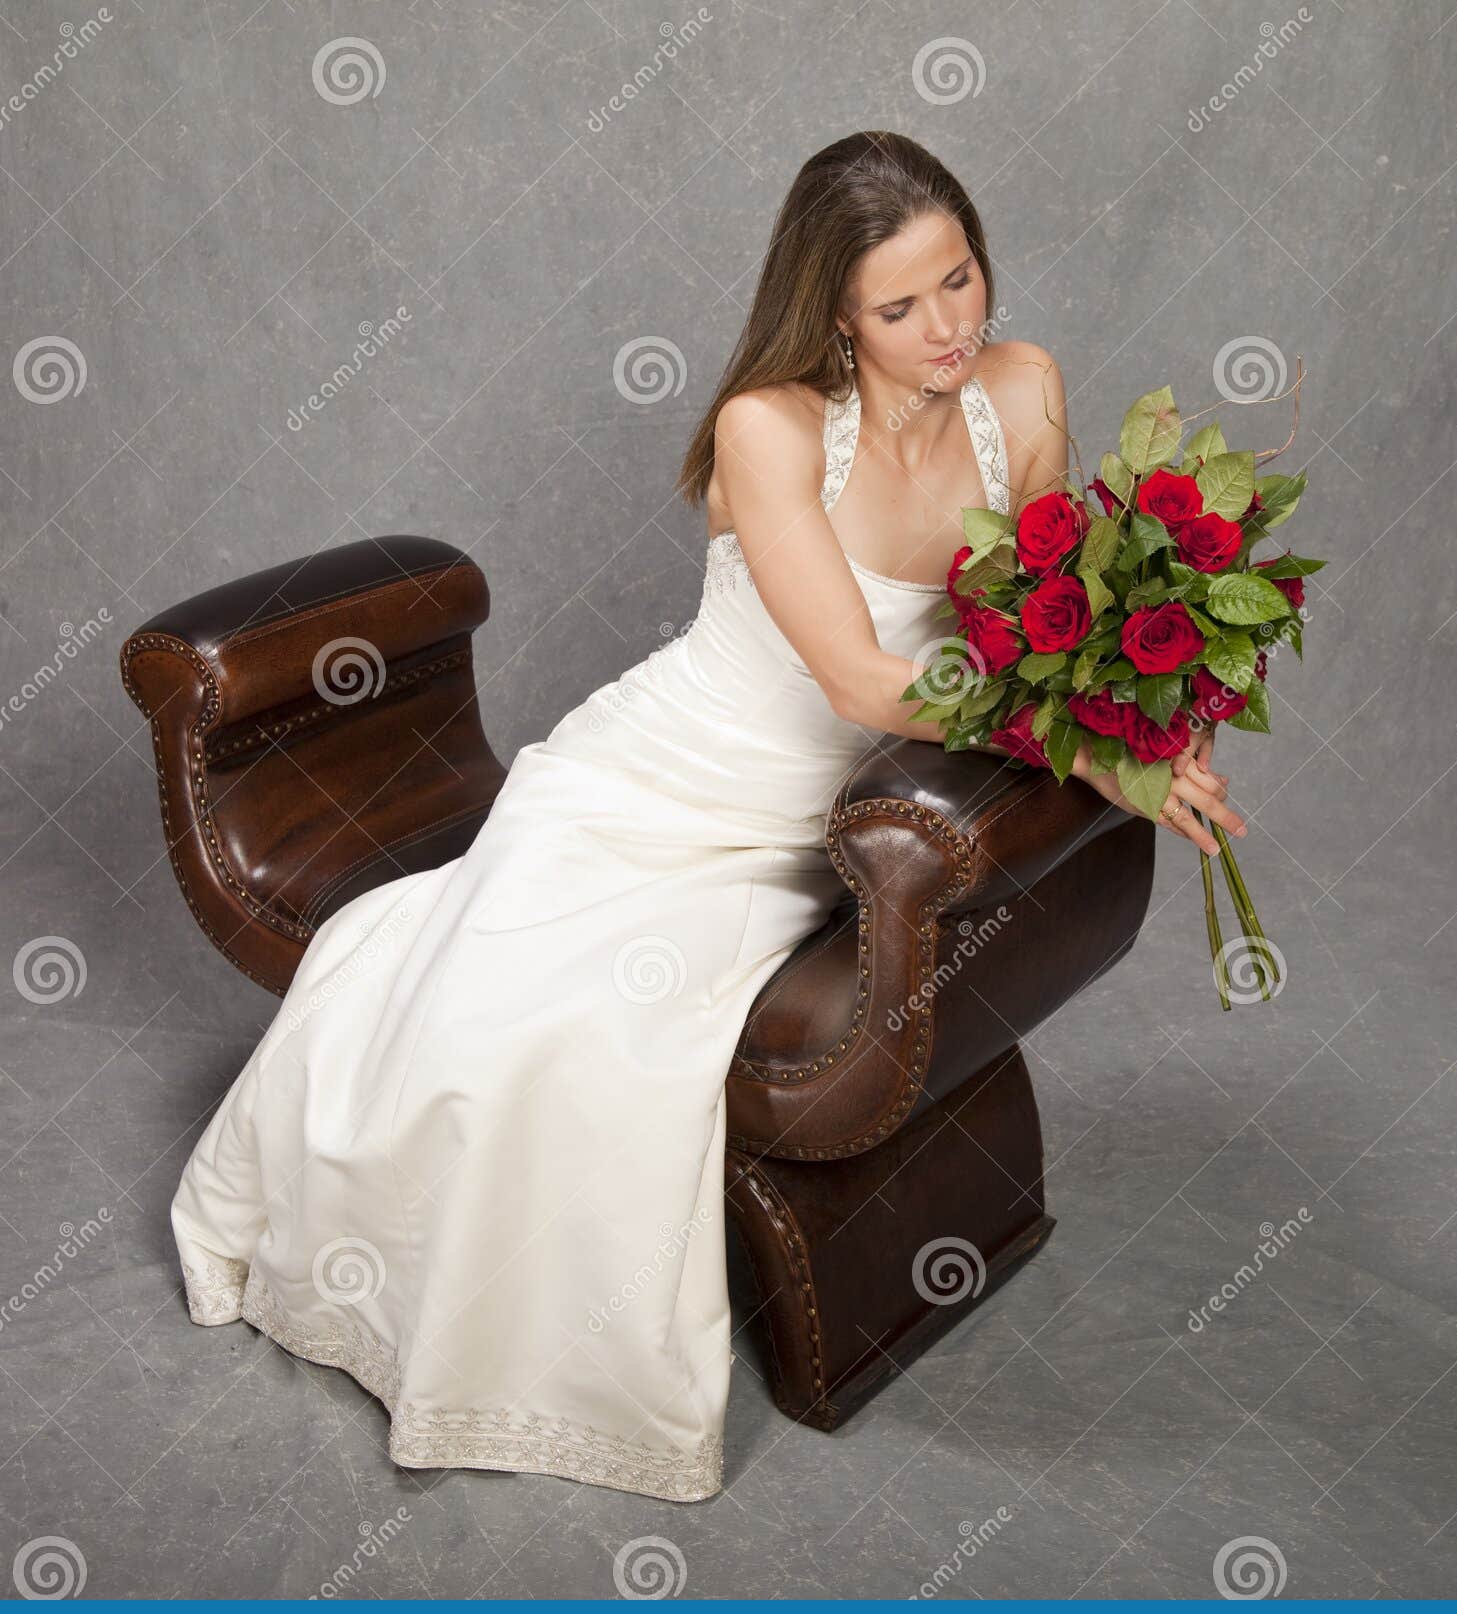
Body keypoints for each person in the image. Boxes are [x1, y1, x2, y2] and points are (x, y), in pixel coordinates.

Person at [169, 131, 1246, 1505]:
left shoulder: (1022, 392)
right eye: (899, 307)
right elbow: (861, 674)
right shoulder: (768, 423)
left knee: (606, 1031)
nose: (948, 327)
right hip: (665, 783)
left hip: (830, 820)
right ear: (835, 312)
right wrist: (1086, 747)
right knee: (527, 1029)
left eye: (962, 279)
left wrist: (1127, 708)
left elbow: (1049, 623)